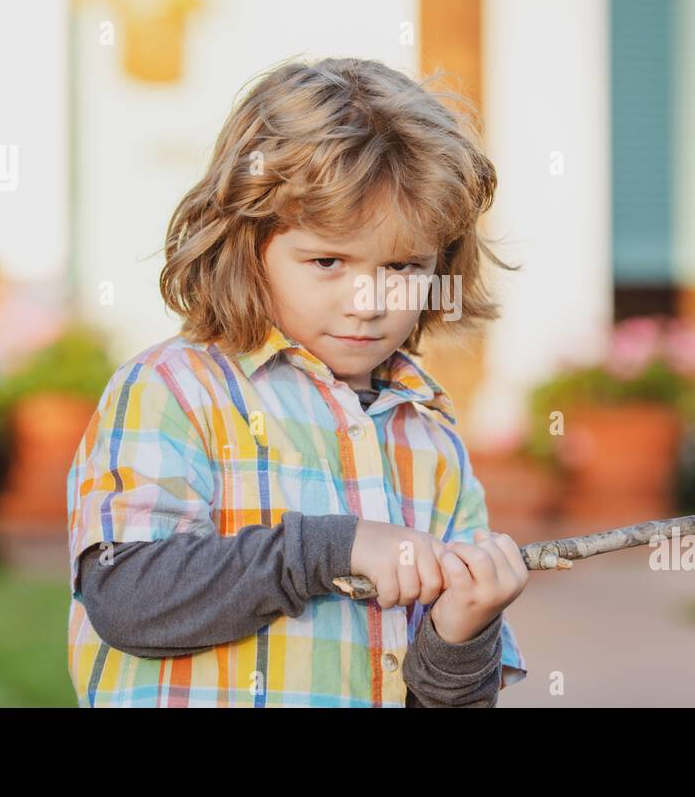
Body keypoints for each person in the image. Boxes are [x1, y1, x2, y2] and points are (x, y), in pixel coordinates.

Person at [66, 56, 529, 707]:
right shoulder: (174, 390)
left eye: (401, 265)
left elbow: (443, 699)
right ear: (246, 242)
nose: (368, 300)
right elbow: (127, 599)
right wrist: (332, 548)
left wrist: (462, 632)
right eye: (328, 261)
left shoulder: (432, 441)